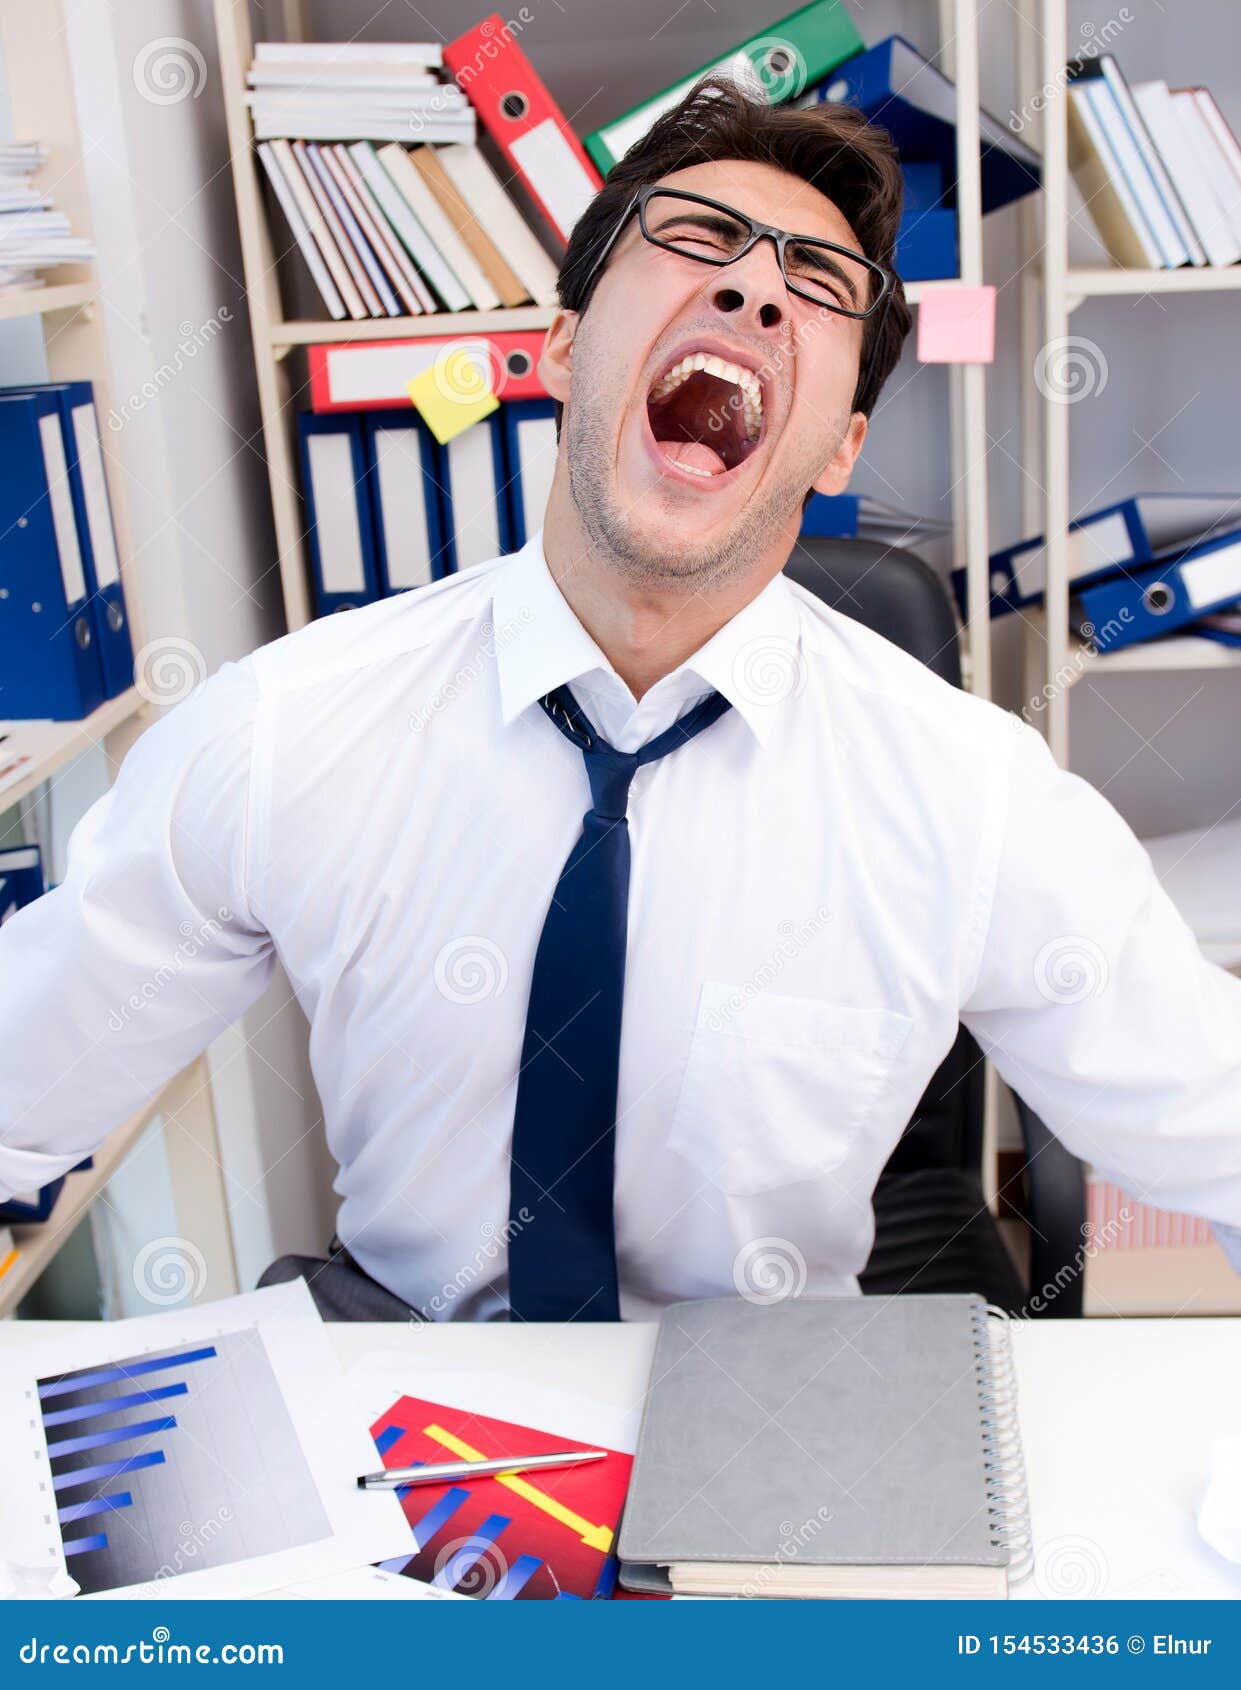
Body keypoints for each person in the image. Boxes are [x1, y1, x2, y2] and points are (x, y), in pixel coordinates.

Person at [2, 78, 1238, 1322]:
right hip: (409, 1406)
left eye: (815, 283)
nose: (755, 288)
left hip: (770, 1427)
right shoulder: (284, 732)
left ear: (841, 446)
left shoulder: (971, 796)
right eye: (695, 238)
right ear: (562, 344)